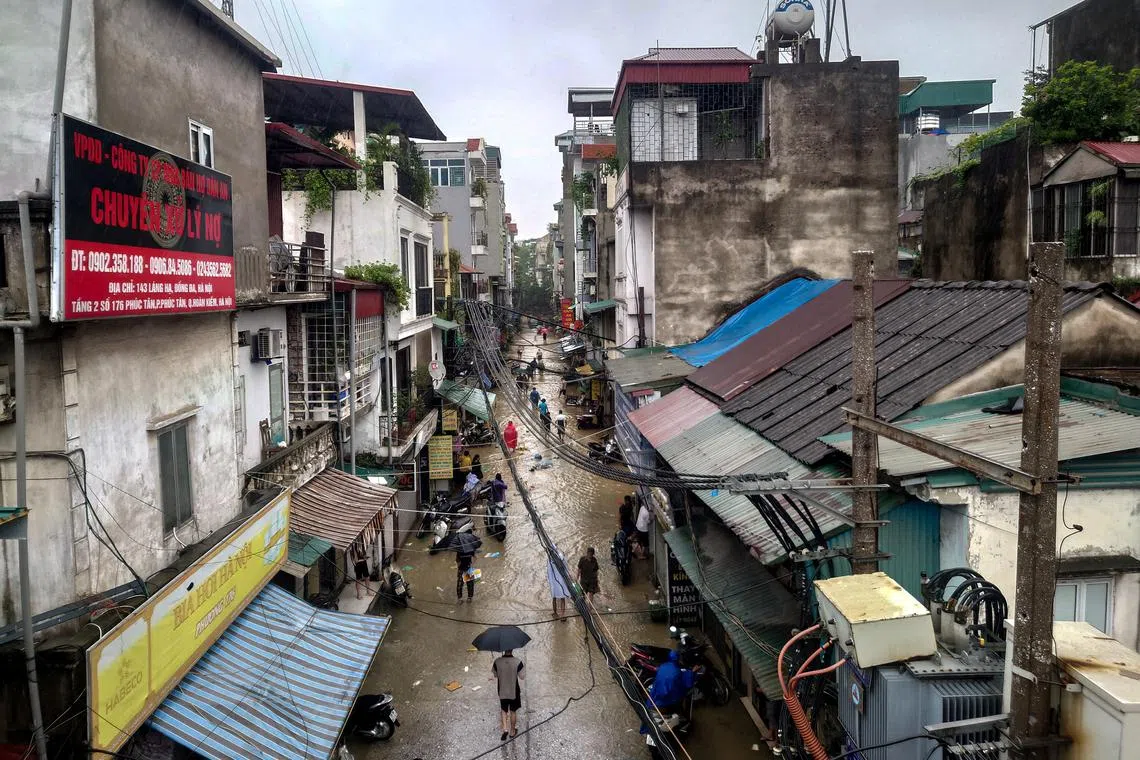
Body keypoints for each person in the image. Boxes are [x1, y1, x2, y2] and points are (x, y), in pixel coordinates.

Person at [492, 649, 525, 740]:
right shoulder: (518, 662)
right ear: (512, 649)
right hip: (514, 691)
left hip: (502, 690)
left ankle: (505, 730)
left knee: (503, 710)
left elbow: (495, 675)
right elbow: (522, 677)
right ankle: (512, 731)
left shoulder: (497, 662)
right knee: (513, 711)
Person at [547, 549, 571, 620]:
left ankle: (556, 613)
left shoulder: (550, 559)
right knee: (562, 597)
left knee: (554, 597)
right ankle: (562, 614)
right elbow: (566, 568)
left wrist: (550, 581)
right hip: (561, 580)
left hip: (554, 581)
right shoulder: (562, 558)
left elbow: (549, 572)